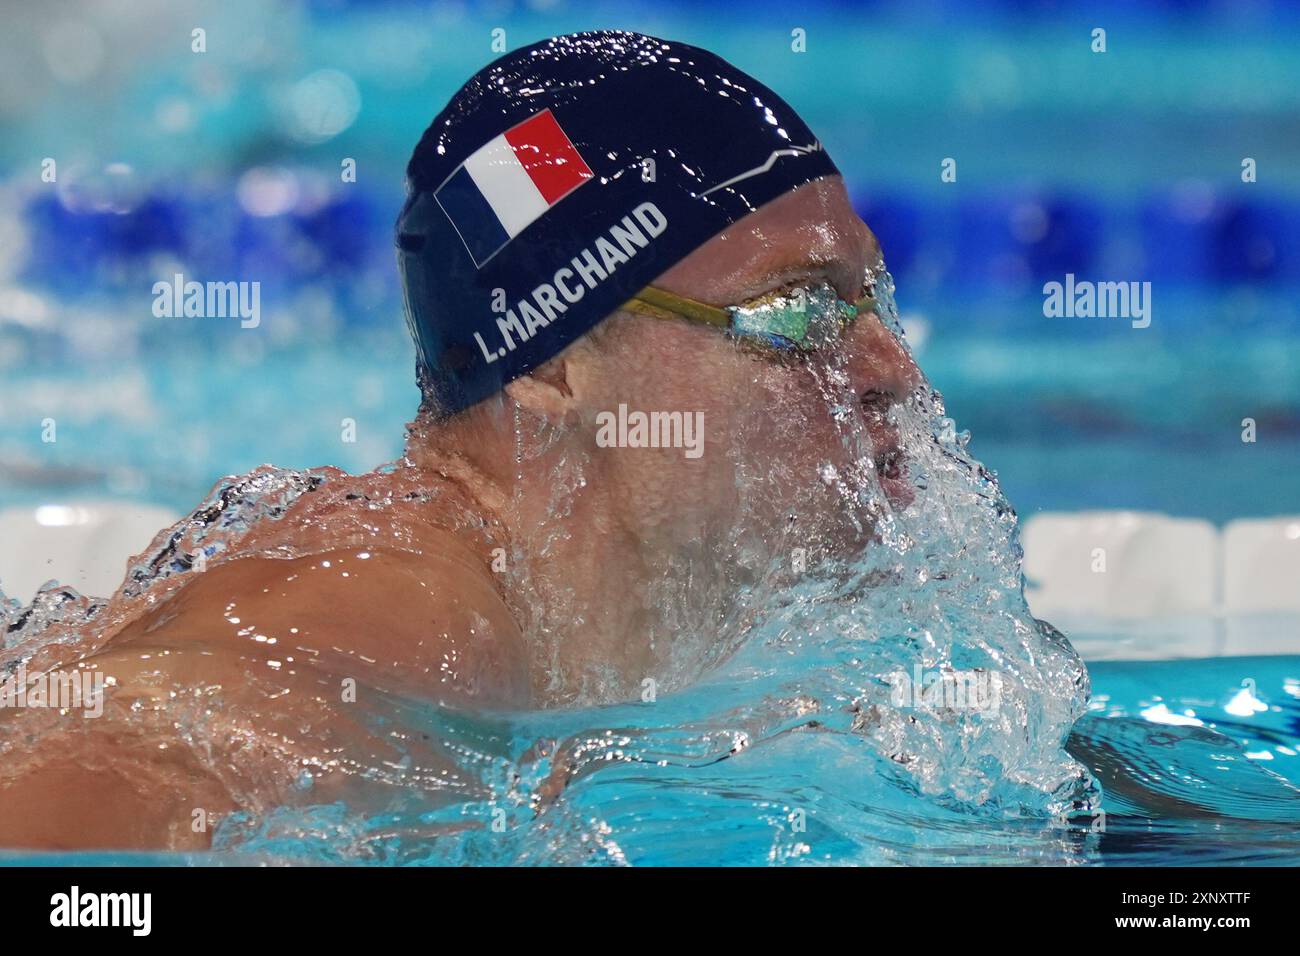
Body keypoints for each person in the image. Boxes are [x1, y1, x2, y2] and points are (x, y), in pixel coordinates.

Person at [0, 31, 920, 850]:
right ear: (555, 368)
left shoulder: (691, 645)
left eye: (872, 299)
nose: (891, 367)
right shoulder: (397, 624)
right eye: (795, 311)